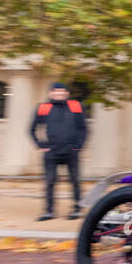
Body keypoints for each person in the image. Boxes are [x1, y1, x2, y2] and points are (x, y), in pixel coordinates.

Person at [30, 82, 86, 221]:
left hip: (71, 151)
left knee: (75, 181)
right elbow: (31, 129)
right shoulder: (43, 107)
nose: (59, 93)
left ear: (67, 93)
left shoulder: (76, 106)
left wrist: (78, 146)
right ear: (51, 93)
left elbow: (83, 128)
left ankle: (77, 209)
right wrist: (41, 144)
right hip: (51, 152)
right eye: (56, 91)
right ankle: (49, 211)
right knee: (49, 182)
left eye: (62, 91)